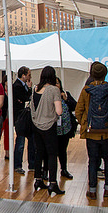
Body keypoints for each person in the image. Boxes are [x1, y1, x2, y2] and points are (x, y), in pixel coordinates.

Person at [75, 62, 108, 200]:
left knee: (92, 160)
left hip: (91, 133)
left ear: (92, 74)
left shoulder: (86, 90)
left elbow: (78, 111)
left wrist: (84, 123)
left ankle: (92, 191)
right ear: (105, 74)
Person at [30, 66, 64, 195]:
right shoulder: (54, 90)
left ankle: (38, 180)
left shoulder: (36, 88)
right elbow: (59, 111)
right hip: (49, 125)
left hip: (36, 124)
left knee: (39, 152)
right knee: (52, 154)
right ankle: (53, 183)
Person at [12, 66, 35, 175]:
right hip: (20, 117)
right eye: (29, 75)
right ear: (24, 75)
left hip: (26, 117)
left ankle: (32, 163)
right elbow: (25, 98)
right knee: (20, 142)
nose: (30, 77)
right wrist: (29, 89)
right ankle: (17, 165)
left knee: (31, 141)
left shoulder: (22, 85)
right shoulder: (17, 86)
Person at [55, 77, 77, 180]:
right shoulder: (49, 96)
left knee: (63, 150)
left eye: (57, 83)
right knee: (52, 151)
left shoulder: (66, 94)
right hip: (53, 128)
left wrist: (66, 99)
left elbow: (74, 106)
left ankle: (64, 169)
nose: (56, 85)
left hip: (65, 128)